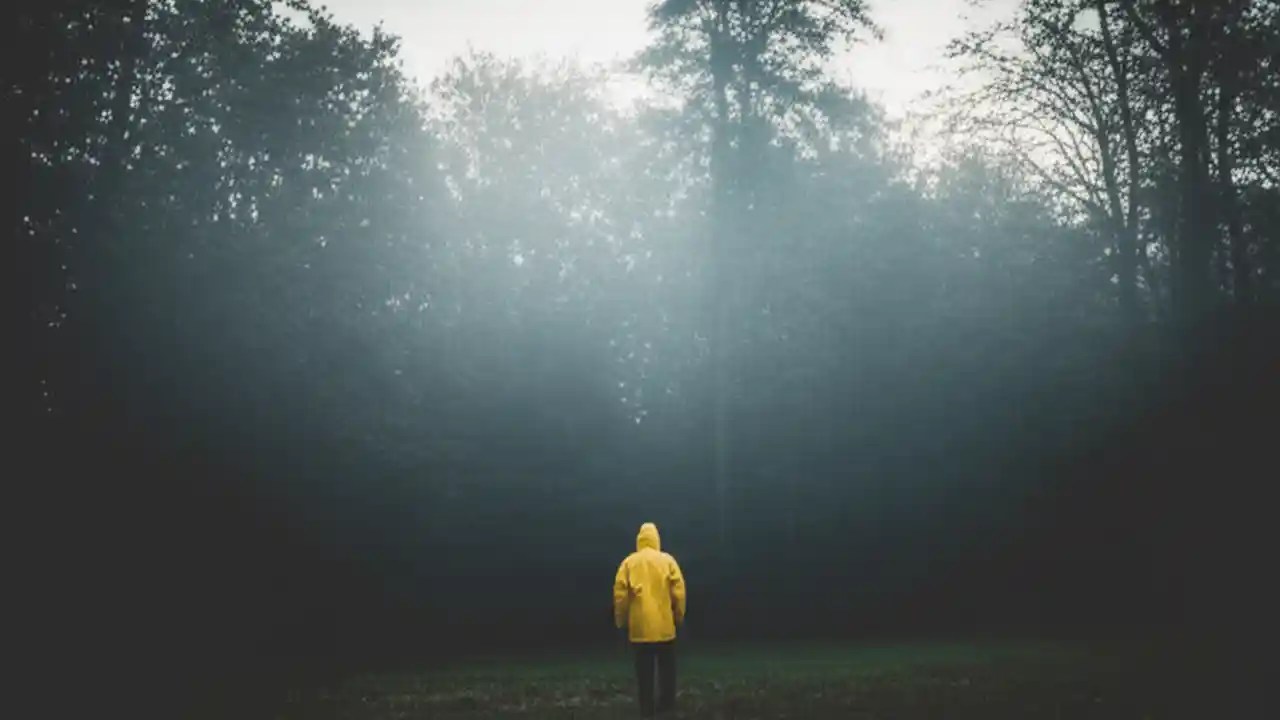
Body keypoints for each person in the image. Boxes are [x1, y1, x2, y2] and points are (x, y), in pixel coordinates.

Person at [613, 522, 686, 717]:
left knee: (644, 673)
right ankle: (667, 705)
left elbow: (620, 596)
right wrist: (678, 617)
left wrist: (621, 621)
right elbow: (679, 593)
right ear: (657, 539)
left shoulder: (628, 563)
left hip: (639, 630)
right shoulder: (667, 561)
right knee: (667, 670)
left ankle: (647, 708)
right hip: (664, 627)